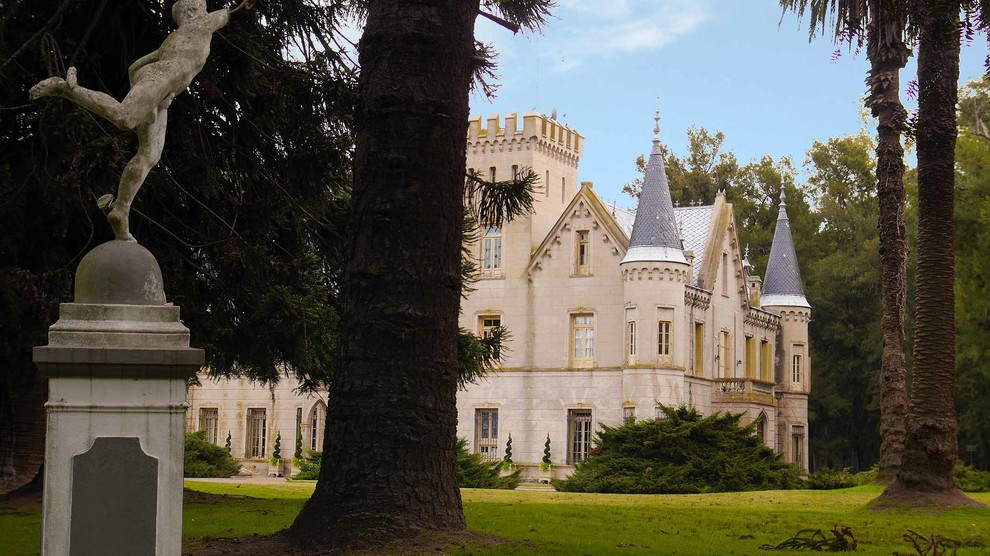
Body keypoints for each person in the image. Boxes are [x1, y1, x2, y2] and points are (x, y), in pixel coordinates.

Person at [29, 0, 254, 241]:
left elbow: (134, 68)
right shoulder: (202, 24)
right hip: (159, 81)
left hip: (161, 90)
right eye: (202, 5)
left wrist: (150, 97)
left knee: (150, 153)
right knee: (125, 118)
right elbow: (232, 12)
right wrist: (245, 6)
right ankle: (64, 89)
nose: (206, 9)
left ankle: (120, 209)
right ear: (192, 10)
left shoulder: (173, 39)